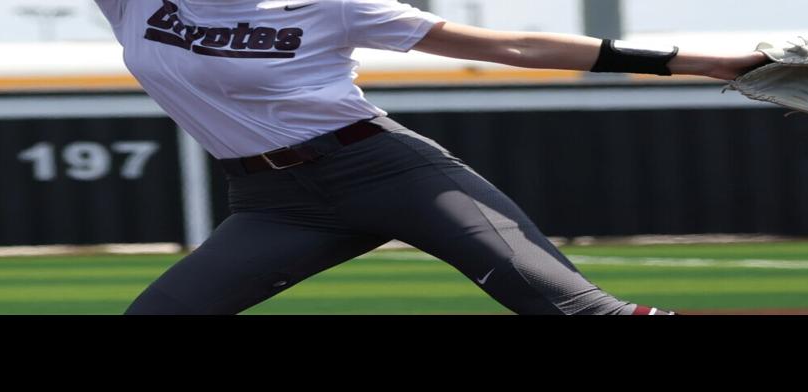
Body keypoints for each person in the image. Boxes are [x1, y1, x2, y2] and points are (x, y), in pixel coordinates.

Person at [93, 0, 767, 315]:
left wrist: (703, 63)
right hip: (275, 205)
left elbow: (516, 47)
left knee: (575, 313)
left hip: (387, 170)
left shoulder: (333, 5)